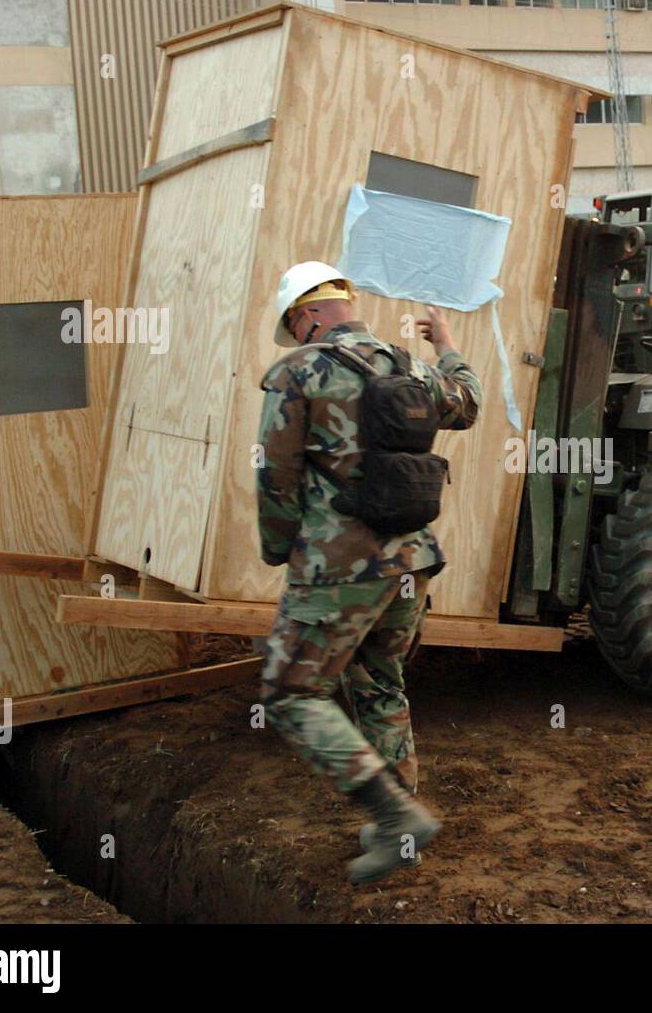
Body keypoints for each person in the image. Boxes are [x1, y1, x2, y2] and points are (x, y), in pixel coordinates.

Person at [256, 260, 482, 884]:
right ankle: (401, 825)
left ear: (305, 315)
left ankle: (395, 820)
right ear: (345, 304)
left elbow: (274, 477)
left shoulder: (297, 373)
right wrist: (449, 348)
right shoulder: (408, 367)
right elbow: (468, 404)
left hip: (340, 567)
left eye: (295, 323)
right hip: (412, 561)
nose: (298, 333)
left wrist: (281, 551)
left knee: (290, 692)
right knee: (378, 680)